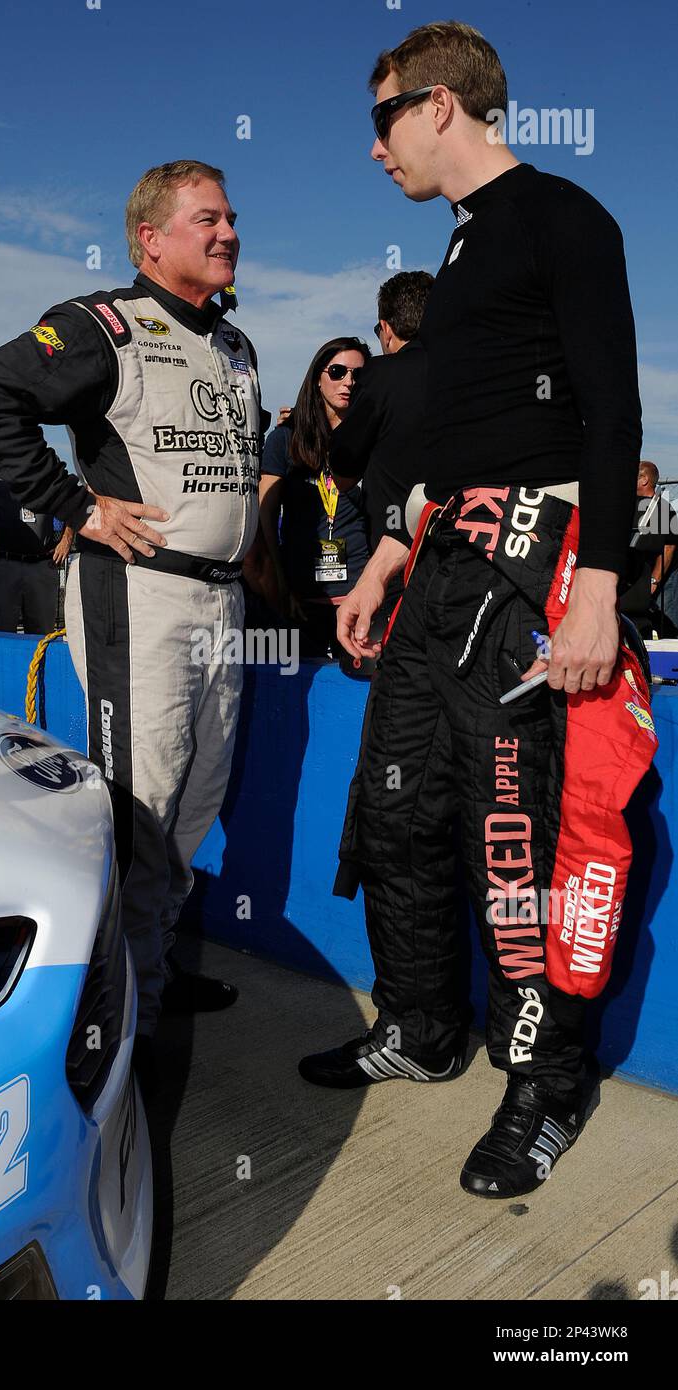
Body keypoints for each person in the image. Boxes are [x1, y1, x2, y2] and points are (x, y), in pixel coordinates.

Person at [299, 22, 657, 1200]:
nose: (372, 148)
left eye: (380, 116)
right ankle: (419, 1027)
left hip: (535, 581)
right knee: (397, 812)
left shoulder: (564, 214)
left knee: (518, 850)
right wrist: (384, 557)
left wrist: (600, 584)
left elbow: (613, 412)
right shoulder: (450, 258)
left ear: (440, 103)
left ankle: (544, 1086)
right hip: (439, 572)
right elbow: (445, 444)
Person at [0, 160, 268, 1048]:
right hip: (142, 596)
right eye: (206, 219)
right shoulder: (105, 326)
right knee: (137, 809)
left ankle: (150, 968)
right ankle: (115, 1018)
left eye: (232, 218)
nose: (228, 233)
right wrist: (76, 506)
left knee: (194, 805)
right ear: (150, 240)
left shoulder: (235, 346)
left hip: (223, 605)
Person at [329, 271, 433, 659]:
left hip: (395, 566)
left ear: (386, 329)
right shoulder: (471, 373)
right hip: (473, 559)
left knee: (394, 683)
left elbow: (343, 467)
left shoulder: (382, 376)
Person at [259, 338, 371, 659]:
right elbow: (266, 518)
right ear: (317, 379)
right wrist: (278, 586)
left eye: (358, 375)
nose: (349, 381)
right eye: (338, 371)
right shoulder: (284, 439)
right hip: (298, 601)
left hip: (360, 604)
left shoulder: (376, 441)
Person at [0, 456, 72, 634]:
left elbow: (71, 498)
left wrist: (66, 540)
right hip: (3, 565)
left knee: (42, 636)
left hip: (43, 566)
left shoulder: (47, 458)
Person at [619, 461, 678, 637]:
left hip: (661, 583)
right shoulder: (628, 506)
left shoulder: (662, 509)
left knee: (666, 626)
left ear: (644, 479)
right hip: (634, 583)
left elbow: (669, 546)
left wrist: (655, 579)